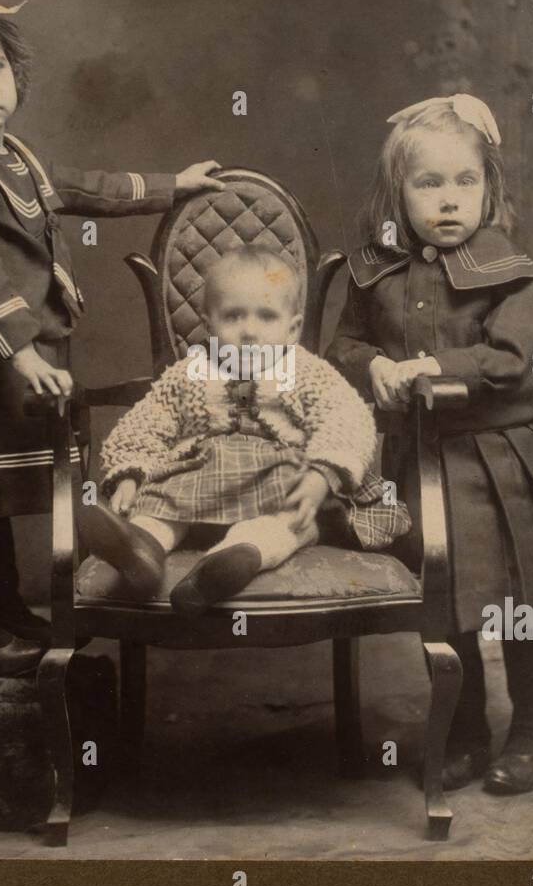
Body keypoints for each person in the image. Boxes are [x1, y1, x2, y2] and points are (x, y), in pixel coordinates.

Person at [0, 0, 223, 676]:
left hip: (6, 363)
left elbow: (83, 187)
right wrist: (23, 349)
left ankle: (1, 608)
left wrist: (172, 185)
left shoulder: (15, 159)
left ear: (14, 71)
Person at [326, 94, 533, 796]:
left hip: (500, 461)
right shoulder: (375, 271)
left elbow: (507, 359)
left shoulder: (510, 271)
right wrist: (378, 368)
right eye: (428, 184)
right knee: (443, 602)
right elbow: (343, 345)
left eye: (464, 182)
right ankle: (467, 729)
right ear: (398, 194)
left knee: (521, 601)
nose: (449, 200)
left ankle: (531, 734)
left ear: (489, 188)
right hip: (420, 465)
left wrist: (433, 367)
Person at [79, 246, 411, 615]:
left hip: (281, 480)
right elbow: (146, 423)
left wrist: (322, 474)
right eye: (233, 316)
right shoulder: (191, 372)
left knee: (290, 521)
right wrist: (128, 474)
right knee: (159, 505)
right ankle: (142, 549)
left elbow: (346, 418)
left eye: (266, 317)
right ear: (209, 323)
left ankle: (230, 562)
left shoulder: (307, 372)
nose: (249, 332)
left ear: (292, 327)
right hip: (199, 486)